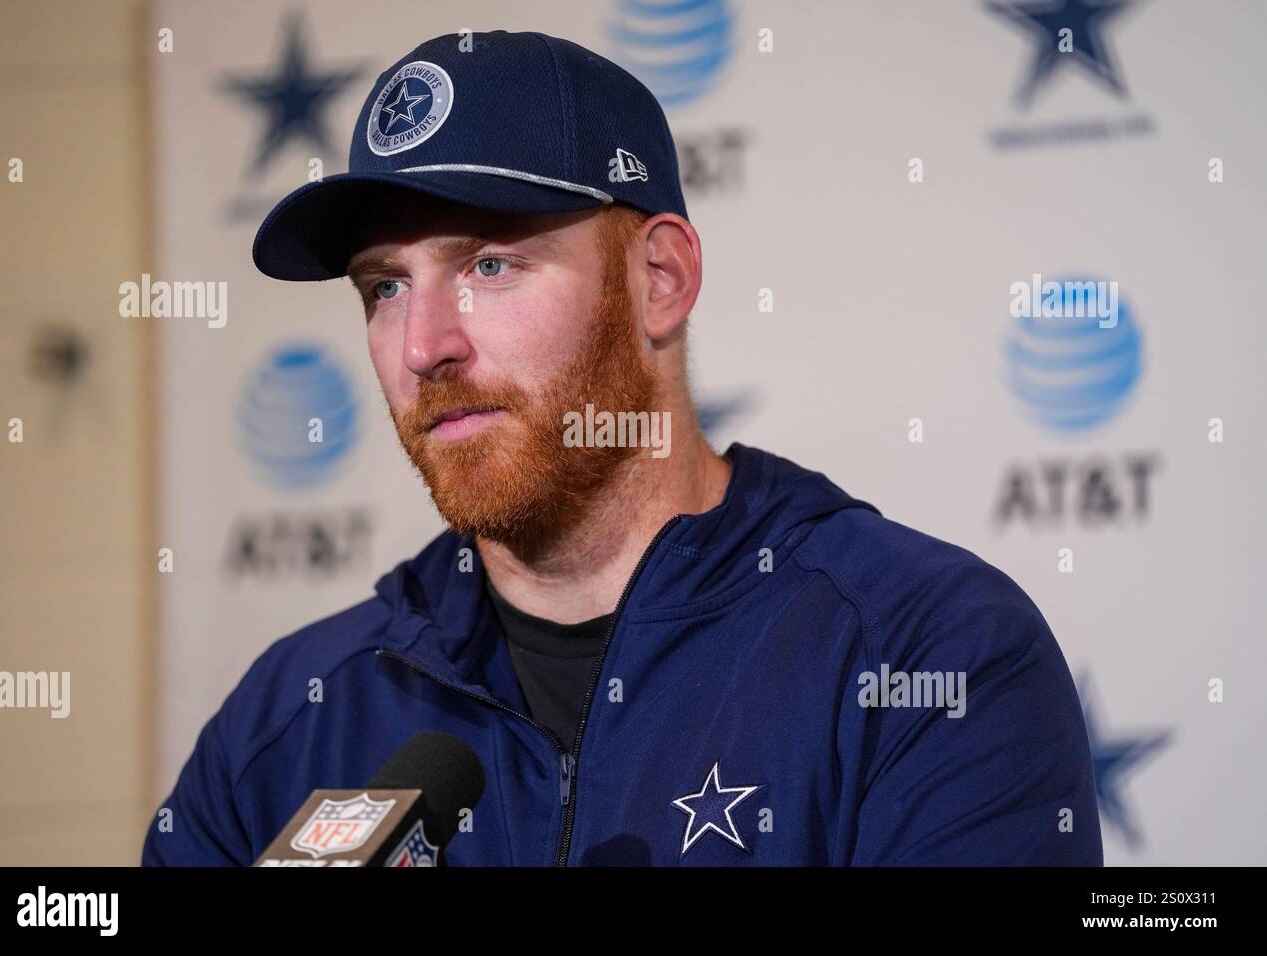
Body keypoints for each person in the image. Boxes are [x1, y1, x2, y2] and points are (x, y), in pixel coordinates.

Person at [143, 29, 1102, 866]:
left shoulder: (926, 656)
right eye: (384, 287)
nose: (423, 345)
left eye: (489, 264)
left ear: (661, 278)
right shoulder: (290, 719)